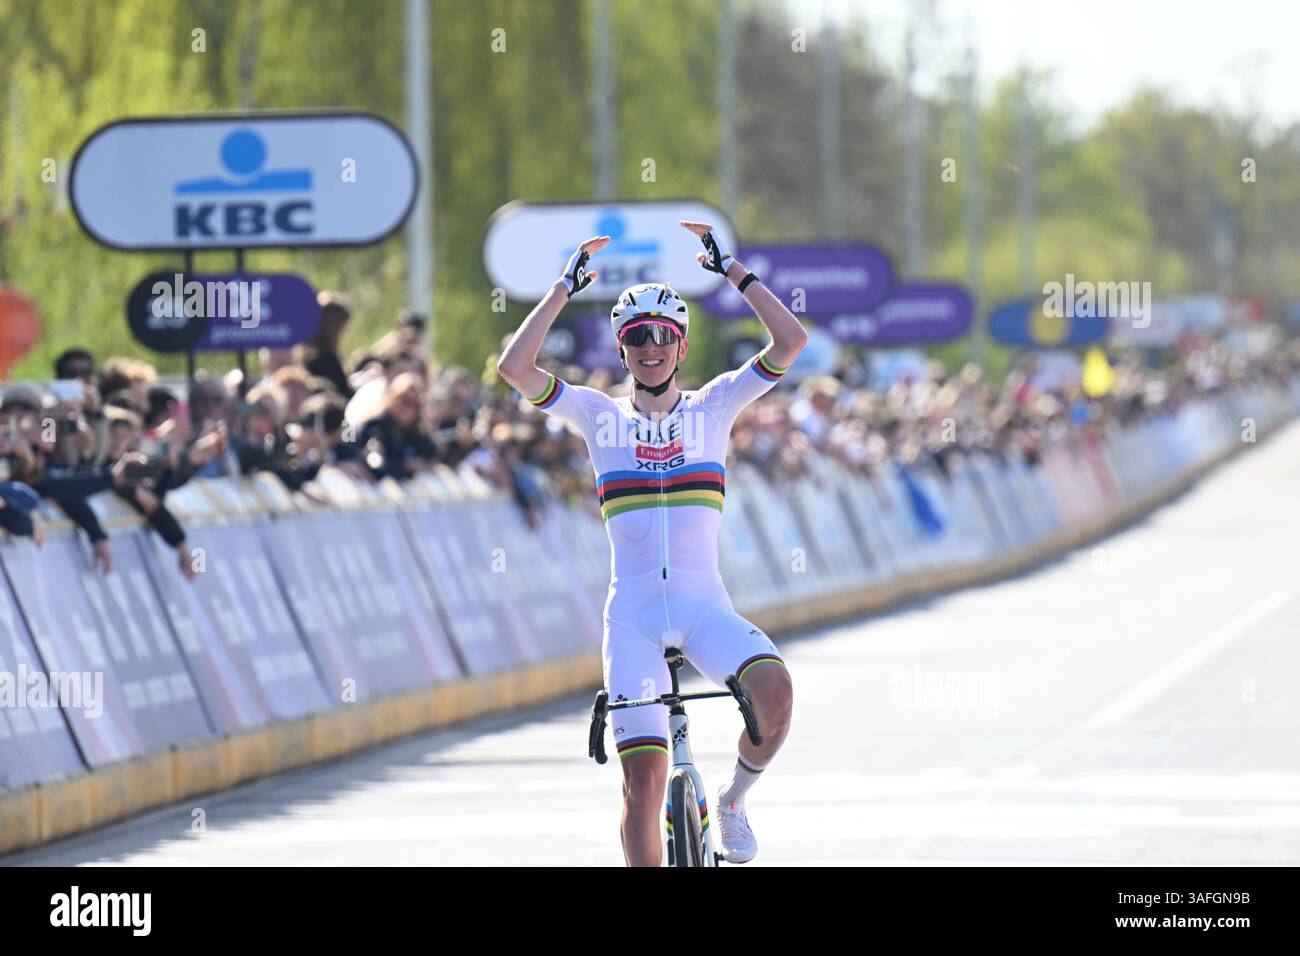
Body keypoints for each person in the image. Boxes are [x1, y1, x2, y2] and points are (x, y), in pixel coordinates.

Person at [497, 222, 806, 867]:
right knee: (643, 787)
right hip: (632, 621)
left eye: (664, 336)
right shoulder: (597, 416)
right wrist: (563, 287)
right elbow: (514, 368)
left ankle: (732, 802)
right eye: (637, 337)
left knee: (775, 694)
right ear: (621, 346)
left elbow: (790, 341)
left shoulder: (716, 405)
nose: (651, 347)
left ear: (682, 345)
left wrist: (734, 273)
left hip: (704, 611)